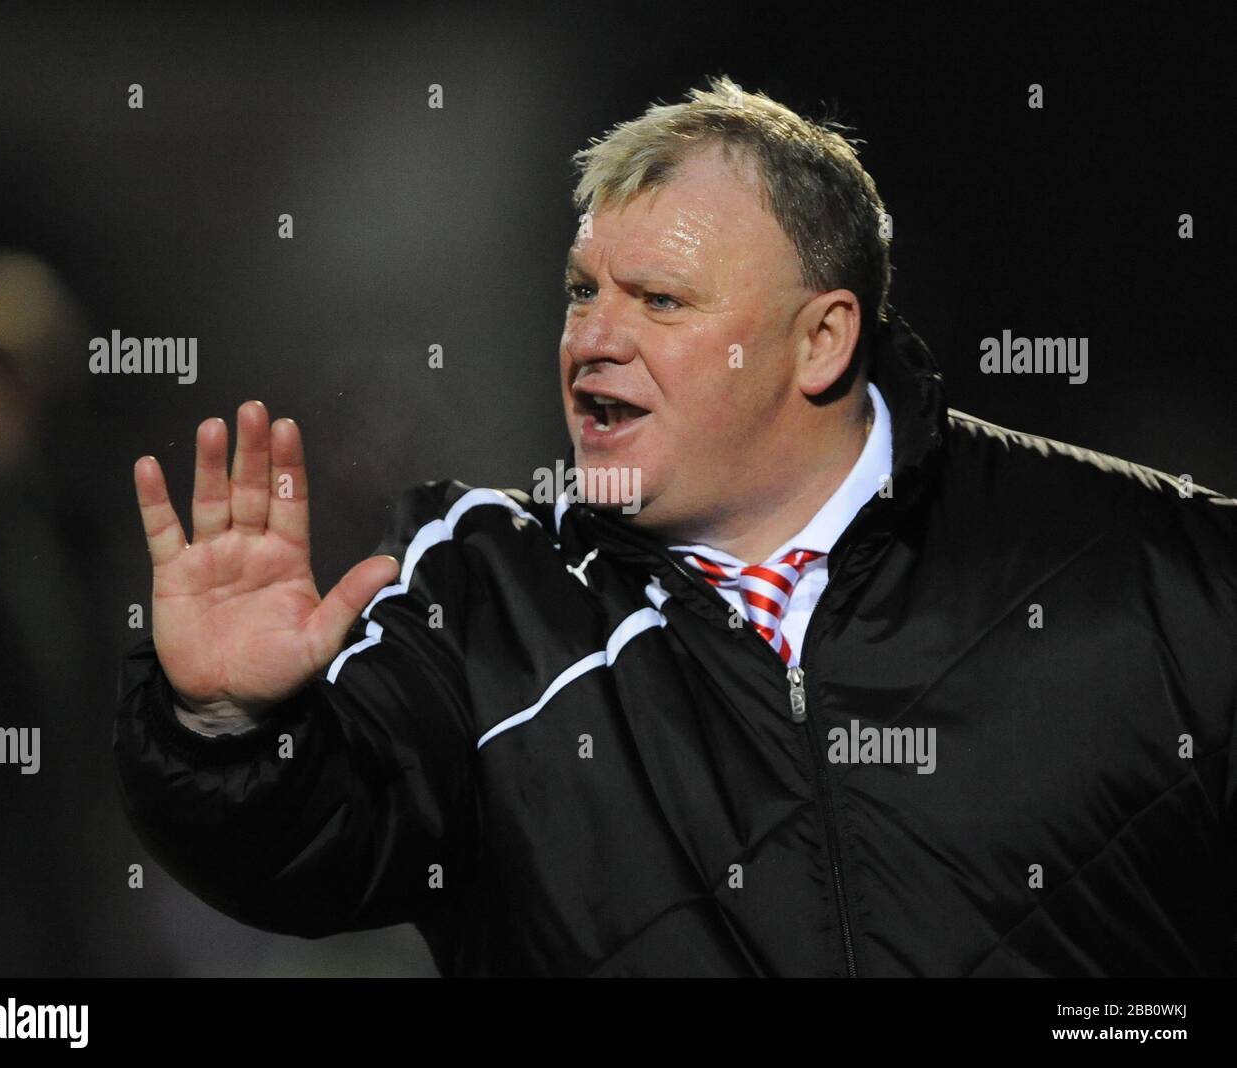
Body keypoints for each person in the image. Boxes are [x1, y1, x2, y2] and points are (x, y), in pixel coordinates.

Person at [113, 76, 1237, 977]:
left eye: (657, 300)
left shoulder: (1135, 566)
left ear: (820, 341)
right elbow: (310, 855)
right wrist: (222, 728)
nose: (591, 338)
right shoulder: (484, 602)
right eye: (578, 292)